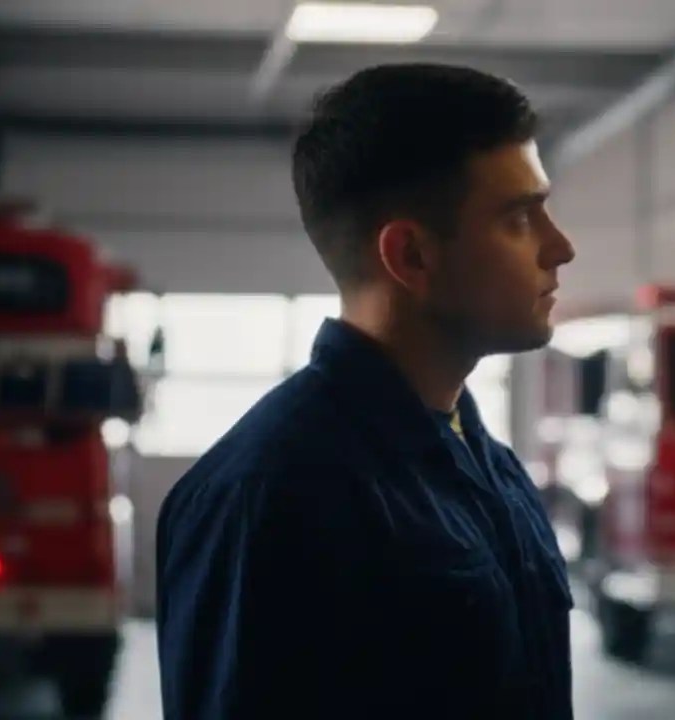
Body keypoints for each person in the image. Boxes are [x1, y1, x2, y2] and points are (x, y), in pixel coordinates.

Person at [155, 63, 578, 720]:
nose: (561, 248)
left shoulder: (489, 467)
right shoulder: (269, 492)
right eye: (520, 218)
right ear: (410, 256)